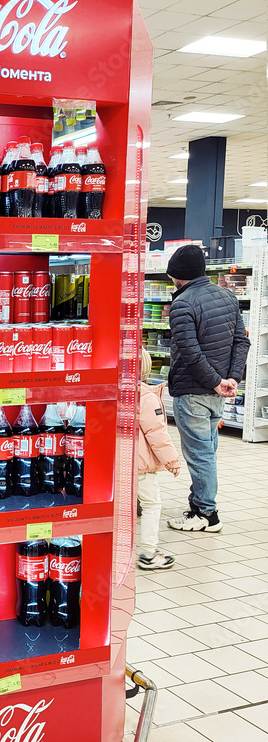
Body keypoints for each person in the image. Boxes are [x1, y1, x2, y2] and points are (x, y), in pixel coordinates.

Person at [165, 243, 250, 533]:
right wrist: (231, 379)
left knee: (200, 454)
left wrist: (215, 382)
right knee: (208, 451)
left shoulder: (182, 304)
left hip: (194, 392)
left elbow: (190, 352)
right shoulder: (227, 296)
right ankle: (199, 504)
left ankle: (205, 513)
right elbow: (242, 341)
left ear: (176, 275)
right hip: (219, 392)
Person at [137, 349, 180, 570]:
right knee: (152, 504)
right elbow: (157, 434)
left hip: (117, 464)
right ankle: (148, 553)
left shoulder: (115, 390)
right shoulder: (145, 397)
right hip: (141, 467)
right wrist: (172, 460)